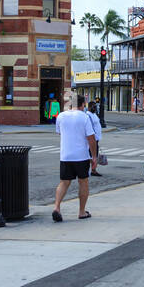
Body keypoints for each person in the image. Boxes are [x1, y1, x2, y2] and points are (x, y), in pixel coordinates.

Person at [52, 93, 97, 221]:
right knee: (83, 182)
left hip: (65, 155)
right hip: (81, 156)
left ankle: (56, 207)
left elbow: (59, 132)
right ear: (83, 105)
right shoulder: (84, 117)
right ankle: (82, 212)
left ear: (71, 104)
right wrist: (94, 157)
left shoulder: (61, 116)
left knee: (64, 182)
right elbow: (91, 139)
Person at [86, 98, 104, 177]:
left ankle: (93, 169)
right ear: (89, 107)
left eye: (95, 107)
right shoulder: (88, 115)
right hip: (92, 138)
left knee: (93, 155)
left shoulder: (94, 114)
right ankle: (93, 170)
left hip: (96, 138)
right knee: (92, 155)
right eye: (93, 107)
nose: (95, 108)